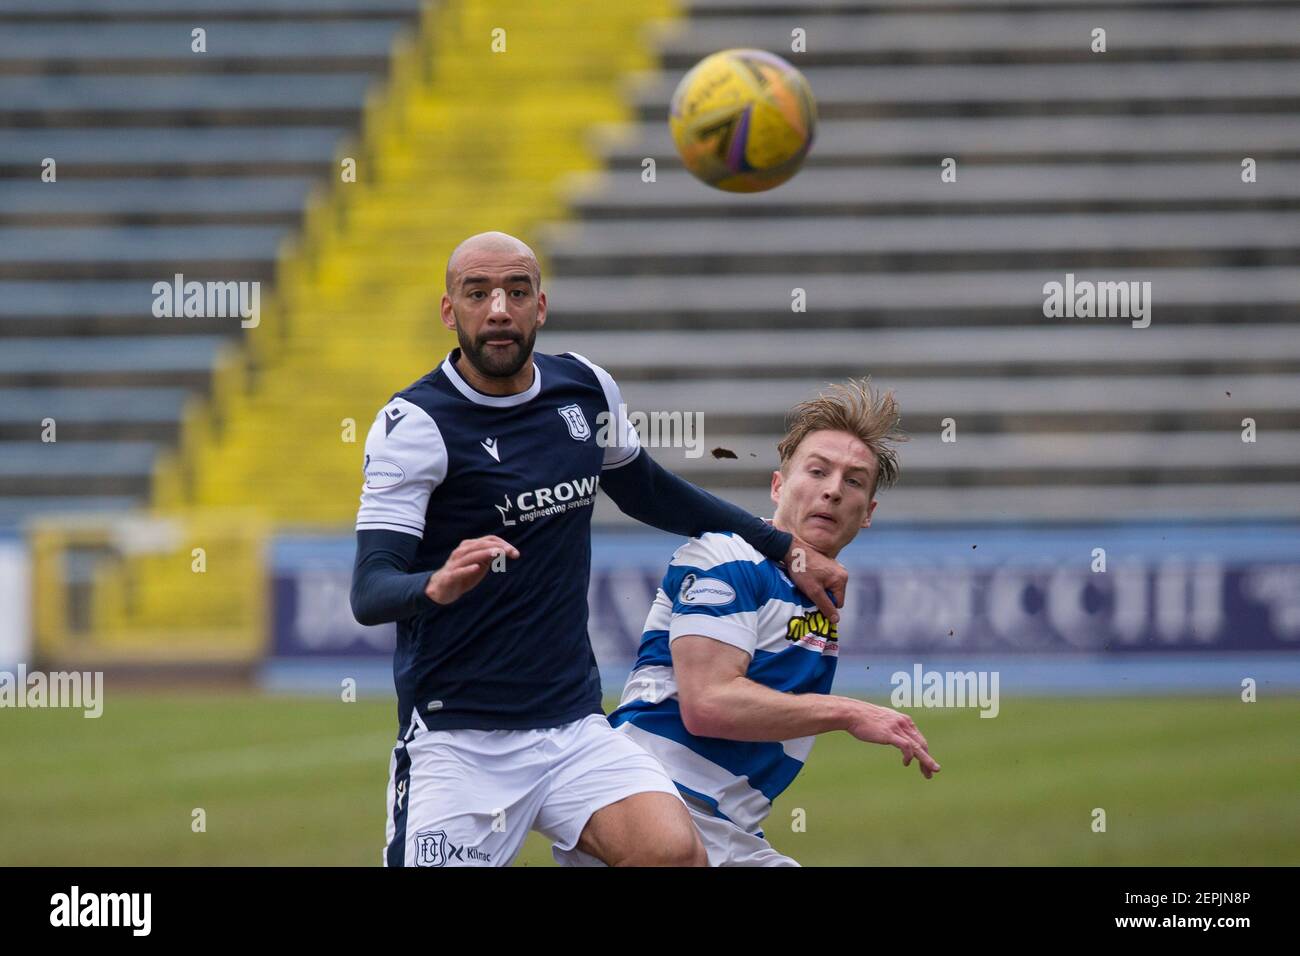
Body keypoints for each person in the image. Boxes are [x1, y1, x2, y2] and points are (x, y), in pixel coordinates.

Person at [349, 231, 847, 867]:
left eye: (516, 292)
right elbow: (370, 589)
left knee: (674, 854)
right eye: (478, 294)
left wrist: (784, 548)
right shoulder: (415, 426)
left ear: (540, 306)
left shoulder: (584, 389)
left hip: (573, 729)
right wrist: (433, 584)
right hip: (458, 738)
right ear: (450, 311)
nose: (498, 310)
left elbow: (650, 492)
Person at [573, 379, 939, 867]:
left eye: (853, 481)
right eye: (817, 471)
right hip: (652, 803)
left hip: (723, 828)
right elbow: (707, 704)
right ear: (778, 486)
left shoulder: (814, 594)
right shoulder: (729, 556)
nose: (832, 490)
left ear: (867, 513)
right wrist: (849, 713)